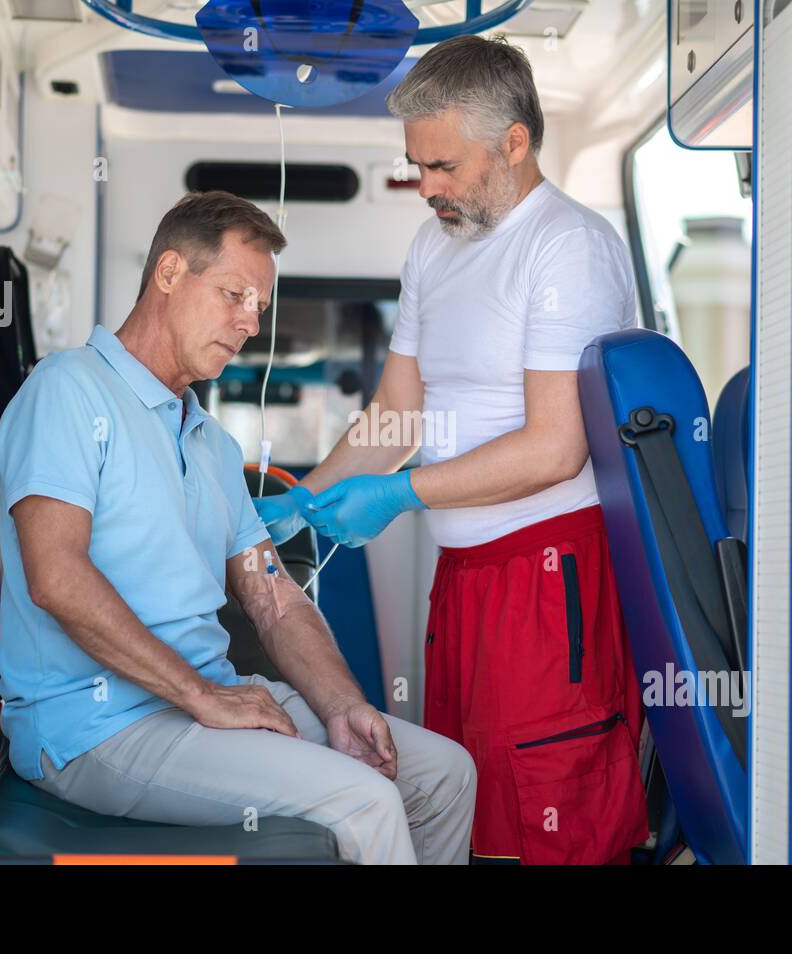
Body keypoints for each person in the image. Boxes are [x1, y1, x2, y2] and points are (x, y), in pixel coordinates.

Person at [255, 36, 648, 864]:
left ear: (513, 142)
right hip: (464, 583)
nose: (424, 186)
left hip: (547, 580)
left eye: (442, 166)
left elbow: (554, 448)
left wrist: (402, 496)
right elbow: (399, 409)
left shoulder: (566, 248)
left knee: (546, 825)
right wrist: (303, 503)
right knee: (466, 815)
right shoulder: (434, 247)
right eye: (415, 166)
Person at [0, 190, 476, 865]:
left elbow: (272, 596)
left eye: (260, 307)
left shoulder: (212, 444)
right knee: (366, 801)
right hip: (96, 727)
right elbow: (56, 577)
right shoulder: (67, 390)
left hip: (204, 704)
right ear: (168, 274)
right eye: (234, 294)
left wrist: (341, 705)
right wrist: (203, 696)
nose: (250, 321)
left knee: (445, 774)